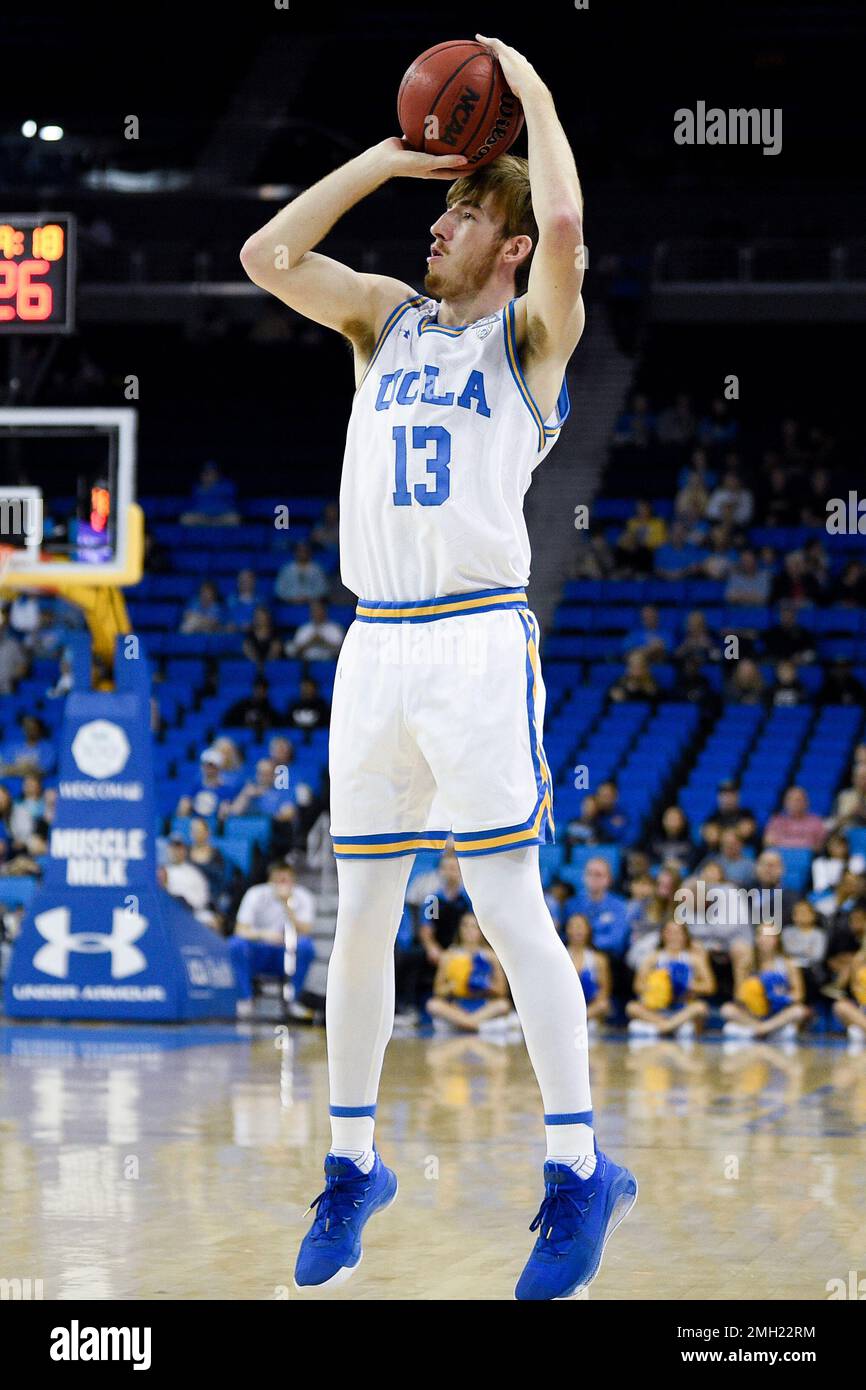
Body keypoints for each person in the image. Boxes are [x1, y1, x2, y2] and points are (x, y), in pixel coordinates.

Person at [241, 33, 636, 1300]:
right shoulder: (381, 320)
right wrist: (390, 159)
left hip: (471, 638)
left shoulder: (531, 339)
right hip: (374, 645)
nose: (439, 226)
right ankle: (351, 1167)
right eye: (445, 208)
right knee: (360, 914)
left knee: (508, 904)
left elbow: (568, 229)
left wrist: (537, 103)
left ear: (506, 244)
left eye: (462, 212)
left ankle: (578, 1174)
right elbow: (268, 258)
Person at [228, 860, 316, 1016]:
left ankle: (293, 1000)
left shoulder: (303, 897)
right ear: (270, 879)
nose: (282, 883)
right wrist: (264, 935)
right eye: (278, 879)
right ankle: (245, 999)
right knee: (235, 944)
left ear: (293, 880)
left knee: (306, 947)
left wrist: (287, 905)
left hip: (286, 952)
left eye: (286, 879)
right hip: (259, 950)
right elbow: (240, 929)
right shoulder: (255, 894)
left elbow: (306, 930)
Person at [426, 911, 514, 1034]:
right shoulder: (448, 955)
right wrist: (452, 987)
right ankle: (473, 1024)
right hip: (458, 1006)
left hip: (483, 1005)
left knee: (503, 1005)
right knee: (433, 1005)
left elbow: (502, 991)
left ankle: (465, 1023)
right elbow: (438, 990)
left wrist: (485, 985)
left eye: (473, 926)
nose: (469, 930)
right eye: (465, 925)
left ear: (481, 930)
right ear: (459, 929)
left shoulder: (491, 956)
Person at [626, 919, 715, 1039]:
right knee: (631, 1007)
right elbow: (638, 986)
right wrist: (659, 987)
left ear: (685, 936)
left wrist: (686, 985)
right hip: (657, 1009)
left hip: (683, 1008)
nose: (674, 937)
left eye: (678, 933)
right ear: (663, 935)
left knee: (700, 1007)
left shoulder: (695, 959)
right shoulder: (652, 958)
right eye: (669, 932)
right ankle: (669, 1025)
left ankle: (664, 1027)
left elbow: (710, 986)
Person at [721, 931, 810, 1041]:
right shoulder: (747, 964)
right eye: (762, 935)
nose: (765, 939)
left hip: (778, 1013)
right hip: (753, 1014)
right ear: (757, 939)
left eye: (770, 936)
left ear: (777, 940)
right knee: (727, 1009)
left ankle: (763, 1029)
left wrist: (780, 998)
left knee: (798, 1011)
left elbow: (799, 994)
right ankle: (762, 1028)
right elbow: (738, 995)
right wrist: (754, 998)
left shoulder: (788, 963)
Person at [564, 912, 612, 1025]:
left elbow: (604, 991)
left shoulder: (599, 959)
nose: (577, 931)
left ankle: (577, 1020)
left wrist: (592, 1008)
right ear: (567, 930)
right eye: (573, 927)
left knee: (604, 1004)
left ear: (588, 930)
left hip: (589, 1009)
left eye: (580, 927)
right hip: (564, 1006)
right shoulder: (559, 957)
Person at [763, 786, 826, 852]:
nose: (795, 803)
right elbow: (768, 843)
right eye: (790, 799)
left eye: (798, 800)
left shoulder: (816, 822)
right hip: (780, 858)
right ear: (785, 802)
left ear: (806, 802)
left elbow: (821, 846)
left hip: (808, 858)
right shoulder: (776, 821)